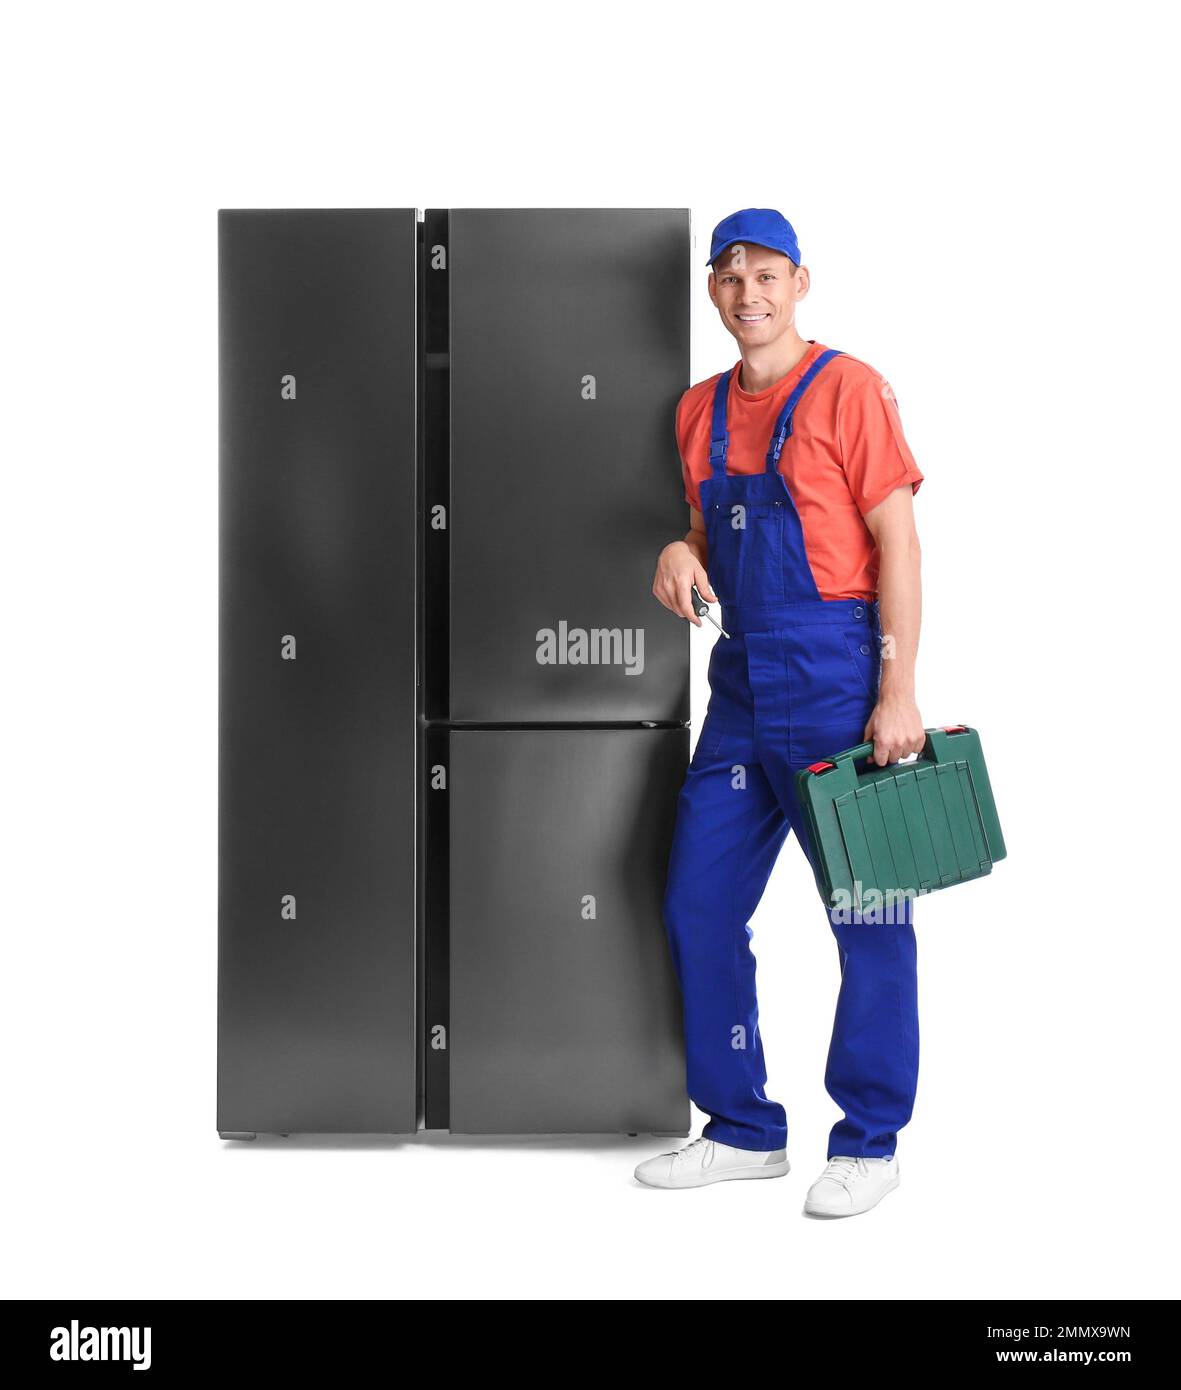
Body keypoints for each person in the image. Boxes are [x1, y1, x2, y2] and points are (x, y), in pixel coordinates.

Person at [637, 208, 926, 1216]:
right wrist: (681, 551)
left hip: (839, 682)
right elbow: (702, 534)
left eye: (765, 275)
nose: (747, 293)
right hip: (741, 688)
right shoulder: (697, 410)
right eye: (728, 277)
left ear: (799, 281)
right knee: (697, 906)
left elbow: (898, 542)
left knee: (869, 913)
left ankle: (869, 1140)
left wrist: (895, 690)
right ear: (712, 291)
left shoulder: (848, 389)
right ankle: (743, 1127)